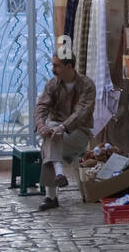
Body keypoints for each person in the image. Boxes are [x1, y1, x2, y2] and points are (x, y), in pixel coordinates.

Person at [33, 51, 96, 211]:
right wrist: (41, 126)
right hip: (56, 132)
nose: (53, 69)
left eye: (57, 66)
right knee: (50, 137)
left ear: (69, 66)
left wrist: (63, 127)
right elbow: (41, 106)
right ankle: (59, 174)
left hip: (78, 132)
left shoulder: (87, 85)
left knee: (50, 142)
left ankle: (51, 196)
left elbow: (82, 112)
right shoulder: (52, 84)